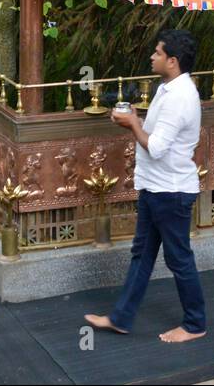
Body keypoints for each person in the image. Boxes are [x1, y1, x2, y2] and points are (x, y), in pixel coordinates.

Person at [85, 29, 207, 343]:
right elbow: (156, 133)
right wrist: (135, 119)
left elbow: (156, 147)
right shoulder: (168, 88)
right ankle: (121, 317)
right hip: (156, 187)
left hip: (171, 190)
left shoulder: (179, 97)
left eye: (158, 53)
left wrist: (134, 125)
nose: (152, 56)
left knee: (178, 259)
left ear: (173, 61)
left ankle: (195, 324)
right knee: (142, 254)